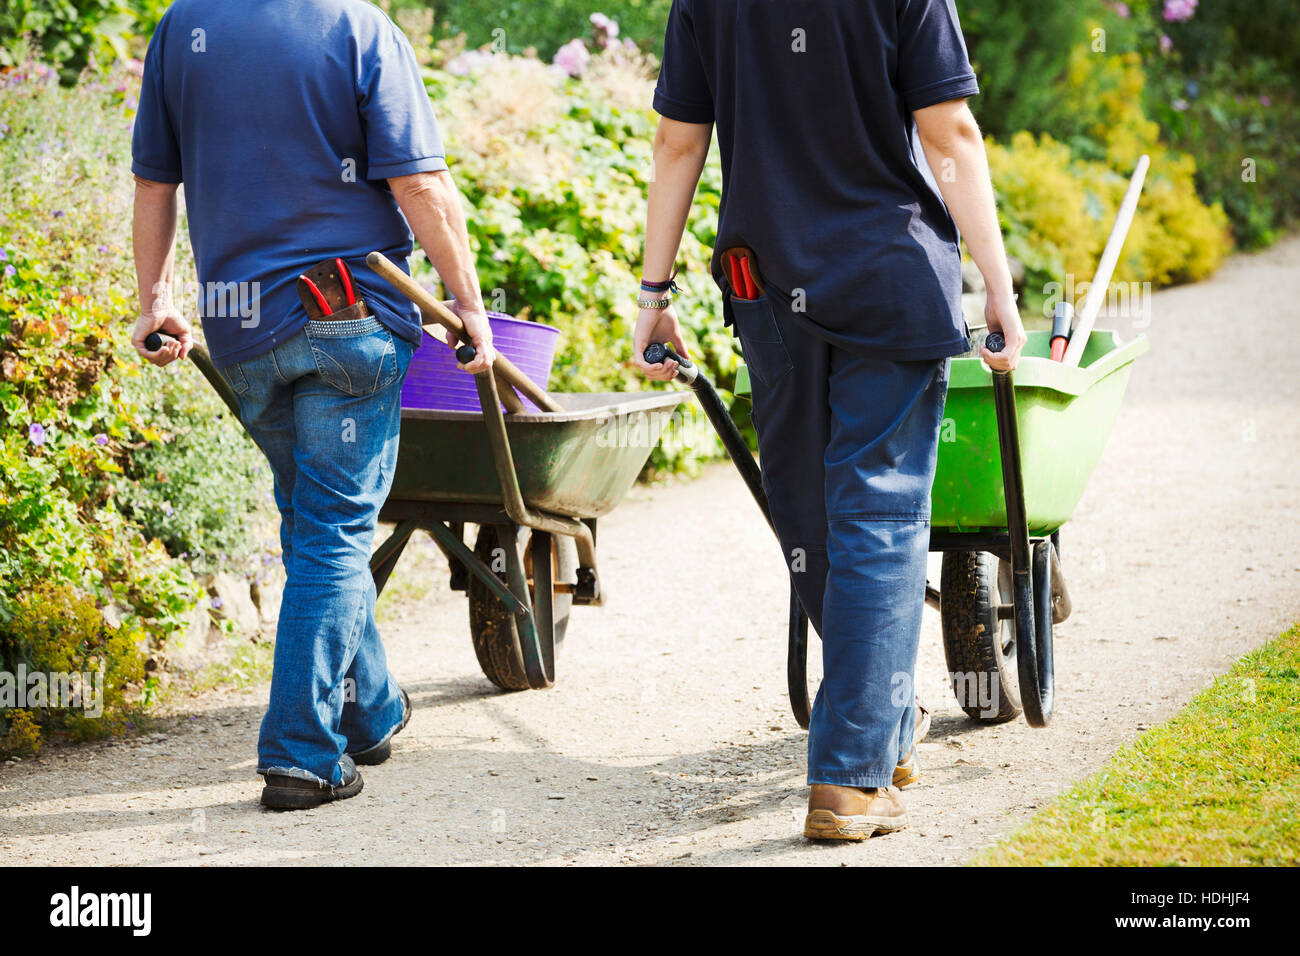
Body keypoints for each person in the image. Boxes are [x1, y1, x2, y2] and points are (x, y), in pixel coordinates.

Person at [633, 0, 1027, 840]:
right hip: (887, 274)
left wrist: (654, 292)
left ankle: (874, 733)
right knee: (877, 518)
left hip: (764, 286)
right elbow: (949, 133)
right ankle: (852, 774)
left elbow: (677, 141)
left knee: (807, 511)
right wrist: (998, 282)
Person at [130, 0, 496, 810]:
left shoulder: (183, 27)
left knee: (311, 518)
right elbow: (421, 183)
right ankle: (302, 752)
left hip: (238, 329)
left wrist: (156, 300)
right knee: (334, 530)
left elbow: (156, 180)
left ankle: (369, 710)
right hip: (345, 315)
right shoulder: (357, 27)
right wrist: (469, 306)